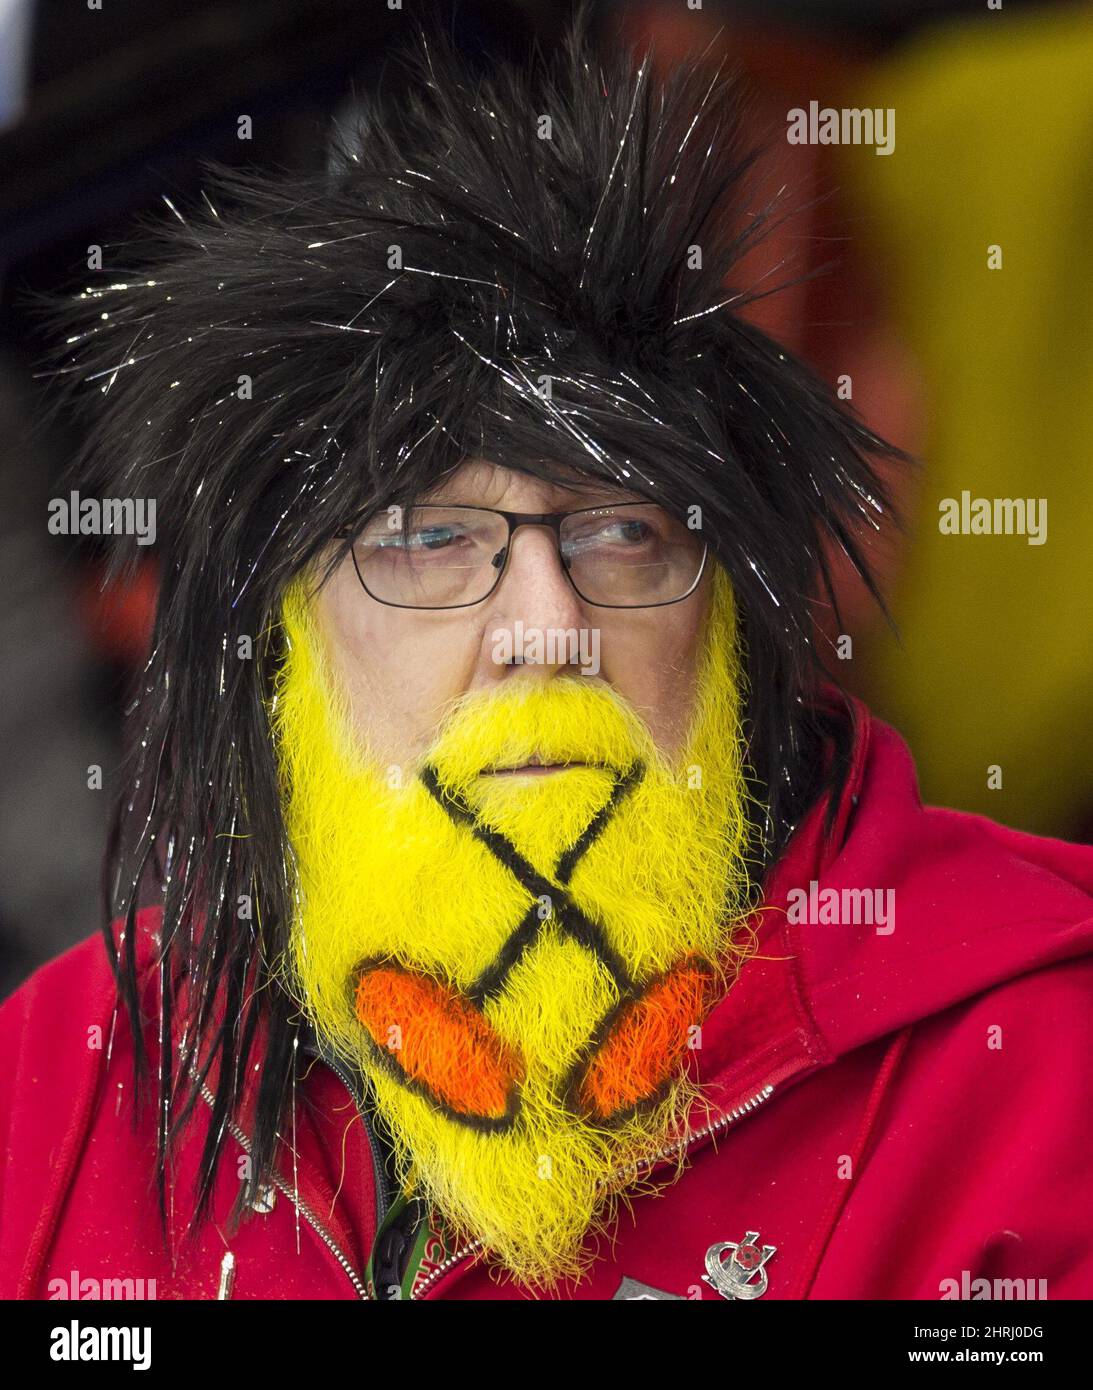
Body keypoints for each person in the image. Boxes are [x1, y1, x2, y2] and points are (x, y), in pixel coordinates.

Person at [2, 10, 1091, 1302]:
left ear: (733, 619)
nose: (543, 625)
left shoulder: (1041, 1057)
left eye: (622, 533)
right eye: (424, 540)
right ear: (281, 641)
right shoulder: (63, 1068)